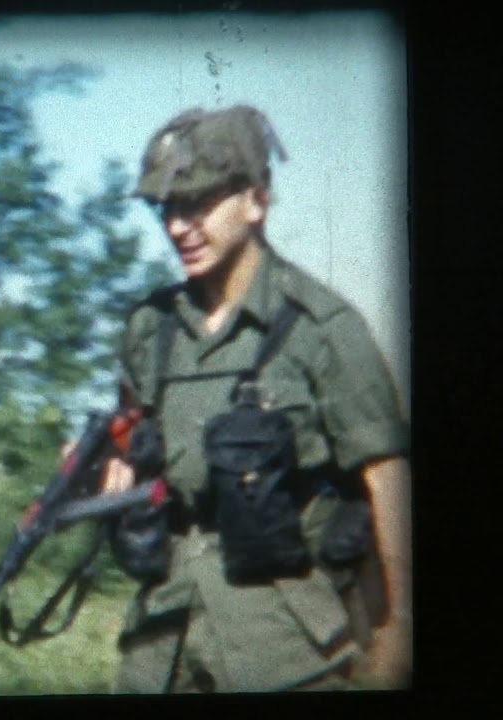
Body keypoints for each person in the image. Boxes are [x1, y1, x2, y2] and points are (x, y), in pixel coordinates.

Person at [100, 105, 412, 692]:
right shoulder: (150, 327)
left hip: (285, 640)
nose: (177, 228)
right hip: (162, 633)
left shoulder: (322, 327)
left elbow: (385, 473)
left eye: (198, 204)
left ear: (256, 200)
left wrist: (402, 628)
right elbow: (132, 440)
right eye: (167, 207)